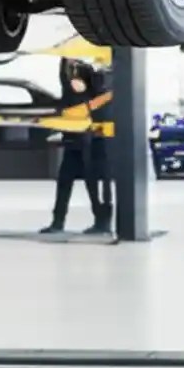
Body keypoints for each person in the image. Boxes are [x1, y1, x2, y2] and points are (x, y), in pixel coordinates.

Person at [39, 58, 112, 235]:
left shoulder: (90, 70)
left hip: (88, 135)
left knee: (93, 182)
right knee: (65, 181)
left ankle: (102, 222)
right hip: (72, 135)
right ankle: (58, 221)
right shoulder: (67, 68)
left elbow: (103, 93)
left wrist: (87, 103)